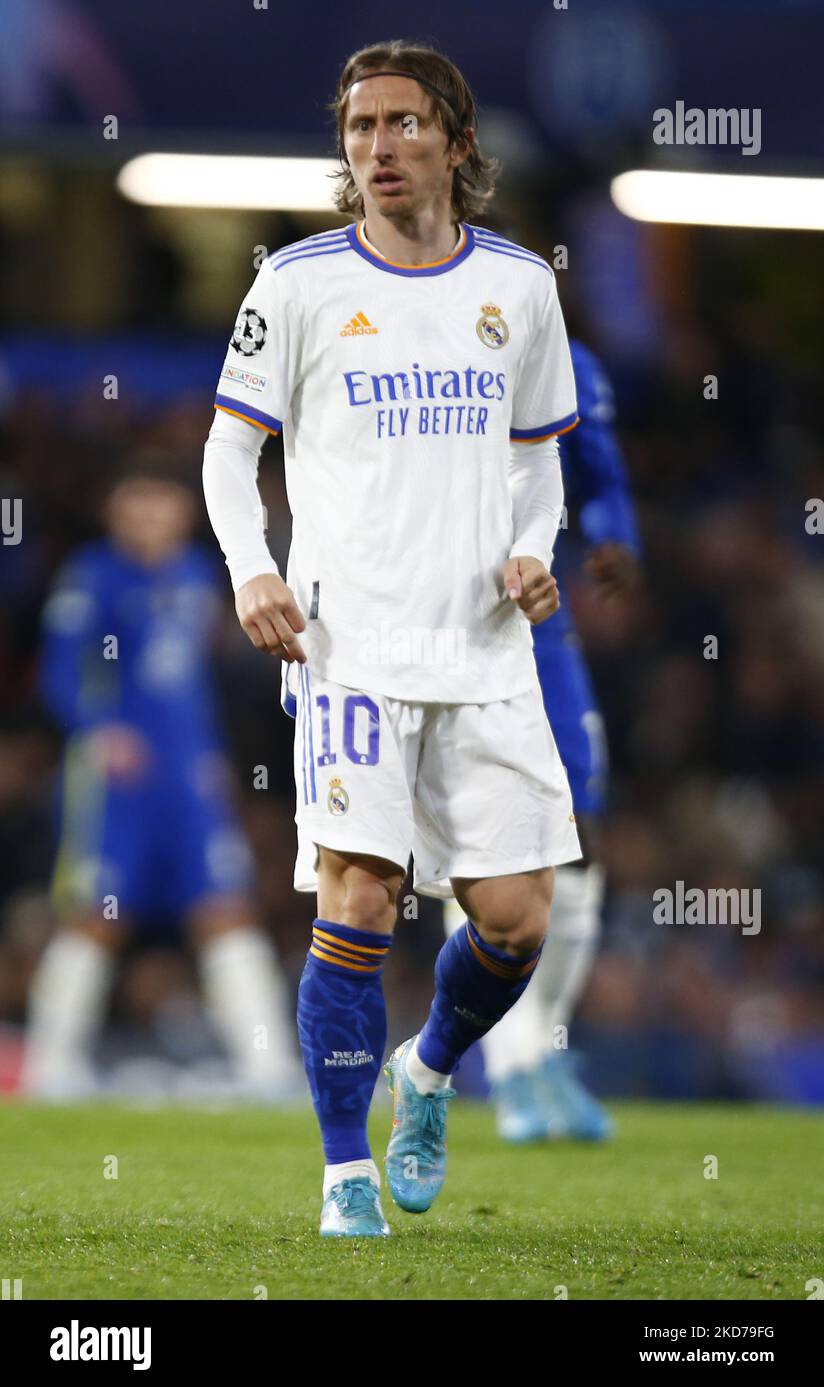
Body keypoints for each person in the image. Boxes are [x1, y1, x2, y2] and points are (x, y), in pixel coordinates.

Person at [203, 40, 581, 1238]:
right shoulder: (299, 282)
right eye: (359, 126)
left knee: (516, 917)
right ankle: (340, 1172)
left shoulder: (517, 287)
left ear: (455, 144)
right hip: (348, 648)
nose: (376, 147)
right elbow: (228, 452)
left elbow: (537, 463)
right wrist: (254, 567)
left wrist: (535, 550)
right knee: (358, 904)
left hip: (481, 652)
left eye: (403, 124)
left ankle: (425, 1071)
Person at [23, 454, 300, 1100]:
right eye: (136, 503)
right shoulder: (91, 578)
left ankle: (268, 1070)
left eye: (163, 503)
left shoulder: (197, 576)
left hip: (187, 783)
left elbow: (196, 683)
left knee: (226, 911)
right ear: (114, 510)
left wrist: (209, 757)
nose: (150, 517)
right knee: (97, 916)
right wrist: (98, 729)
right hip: (116, 784)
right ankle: (49, 1067)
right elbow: (60, 672)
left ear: (183, 511)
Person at [443, 338, 641, 1142]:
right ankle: (515, 1065)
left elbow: (599, 475)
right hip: (435, 622)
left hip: (538, 622)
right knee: (475, 844)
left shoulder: (571, 362)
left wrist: (614, 534)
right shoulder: (414, 337)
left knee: (579, 836)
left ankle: (543, 1048)